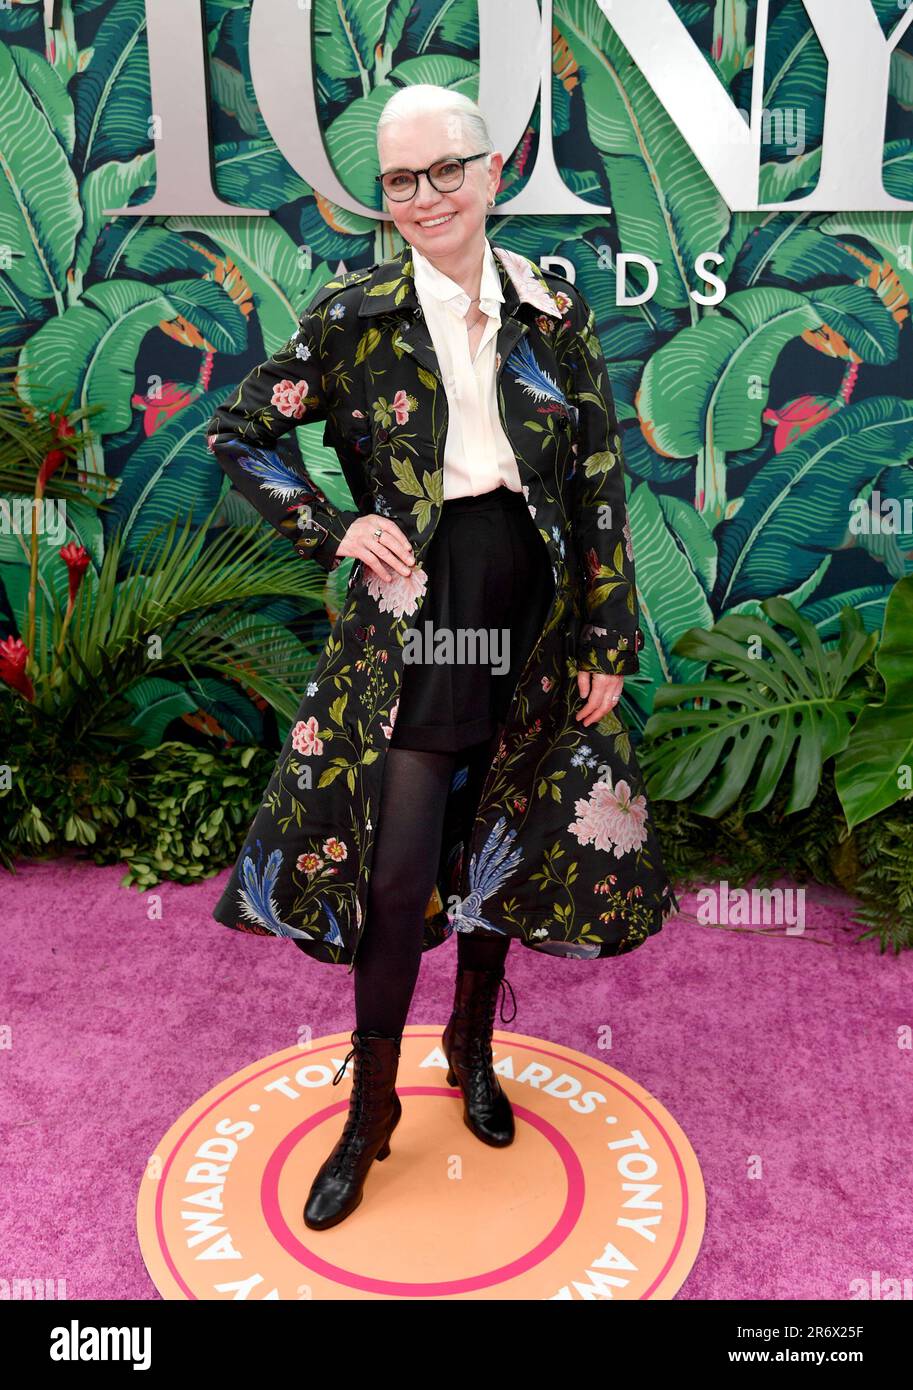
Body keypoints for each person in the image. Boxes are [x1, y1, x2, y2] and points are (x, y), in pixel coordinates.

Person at [205, 84, 677, 1233]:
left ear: (495, 169)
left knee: (503, 830)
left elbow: (597, 480)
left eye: (444, 171)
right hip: (418, 603)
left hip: (536, 596)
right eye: (398, 181)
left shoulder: (553, 309)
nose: (423, 199)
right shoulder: (354, 313)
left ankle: (472, 1047)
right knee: (397, 868)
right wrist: (332, 526)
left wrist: (607, 635)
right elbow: (240, 429)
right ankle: (369, 1111)